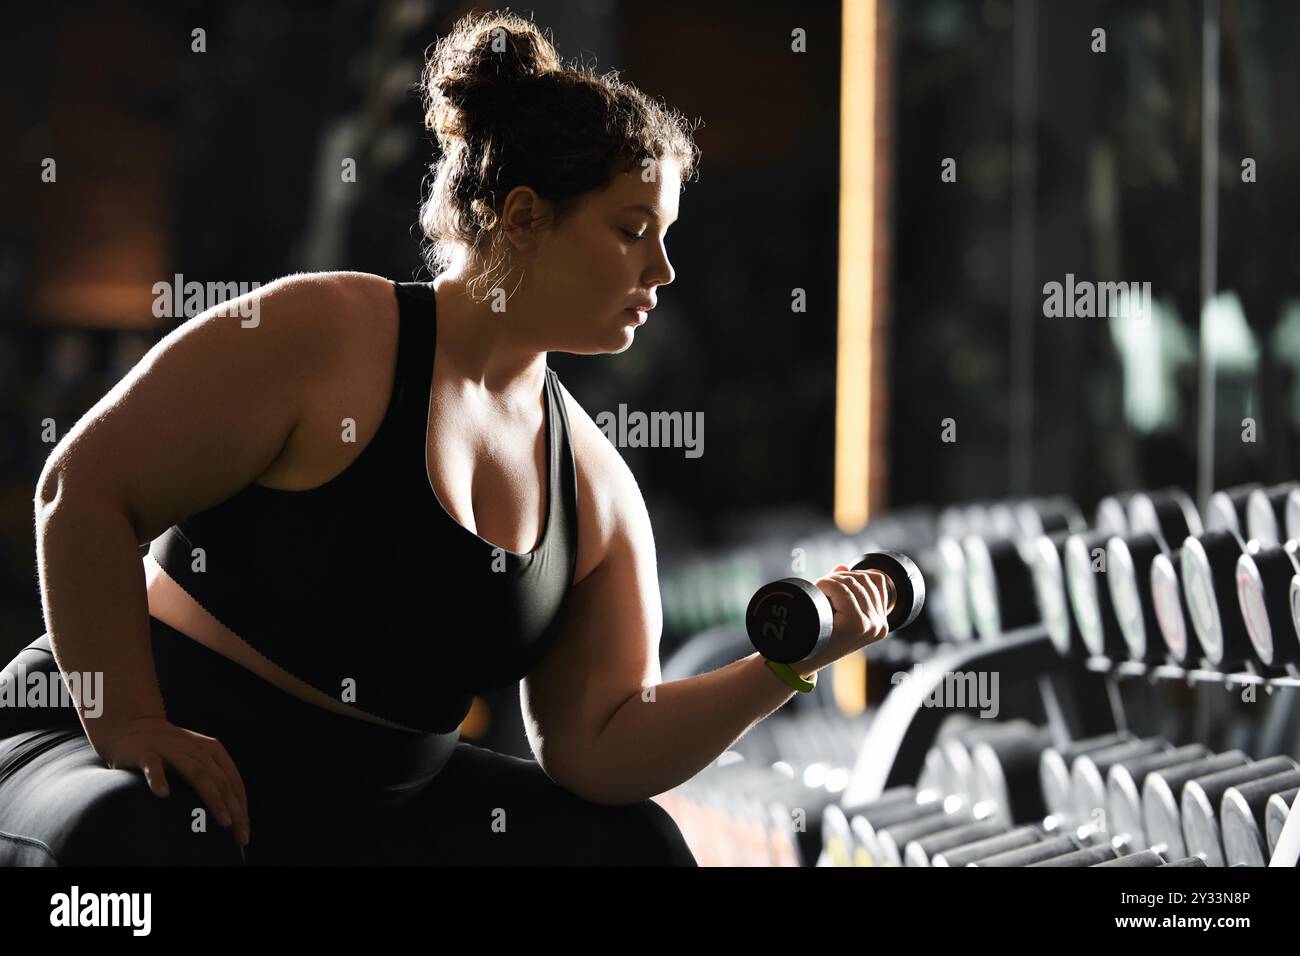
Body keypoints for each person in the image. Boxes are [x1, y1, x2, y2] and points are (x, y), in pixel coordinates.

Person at [0, 10, 890, 866]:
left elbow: (602, 746)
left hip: (365, 808)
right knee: (143, 840)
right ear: (524, 216)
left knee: (628, 849)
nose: (662, 271)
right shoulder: (327, 331)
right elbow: (79, 491)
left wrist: (781, 667)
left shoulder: (594, 486)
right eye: (632, 231)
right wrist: (131, 727)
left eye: (668, 237)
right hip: (108, 736)